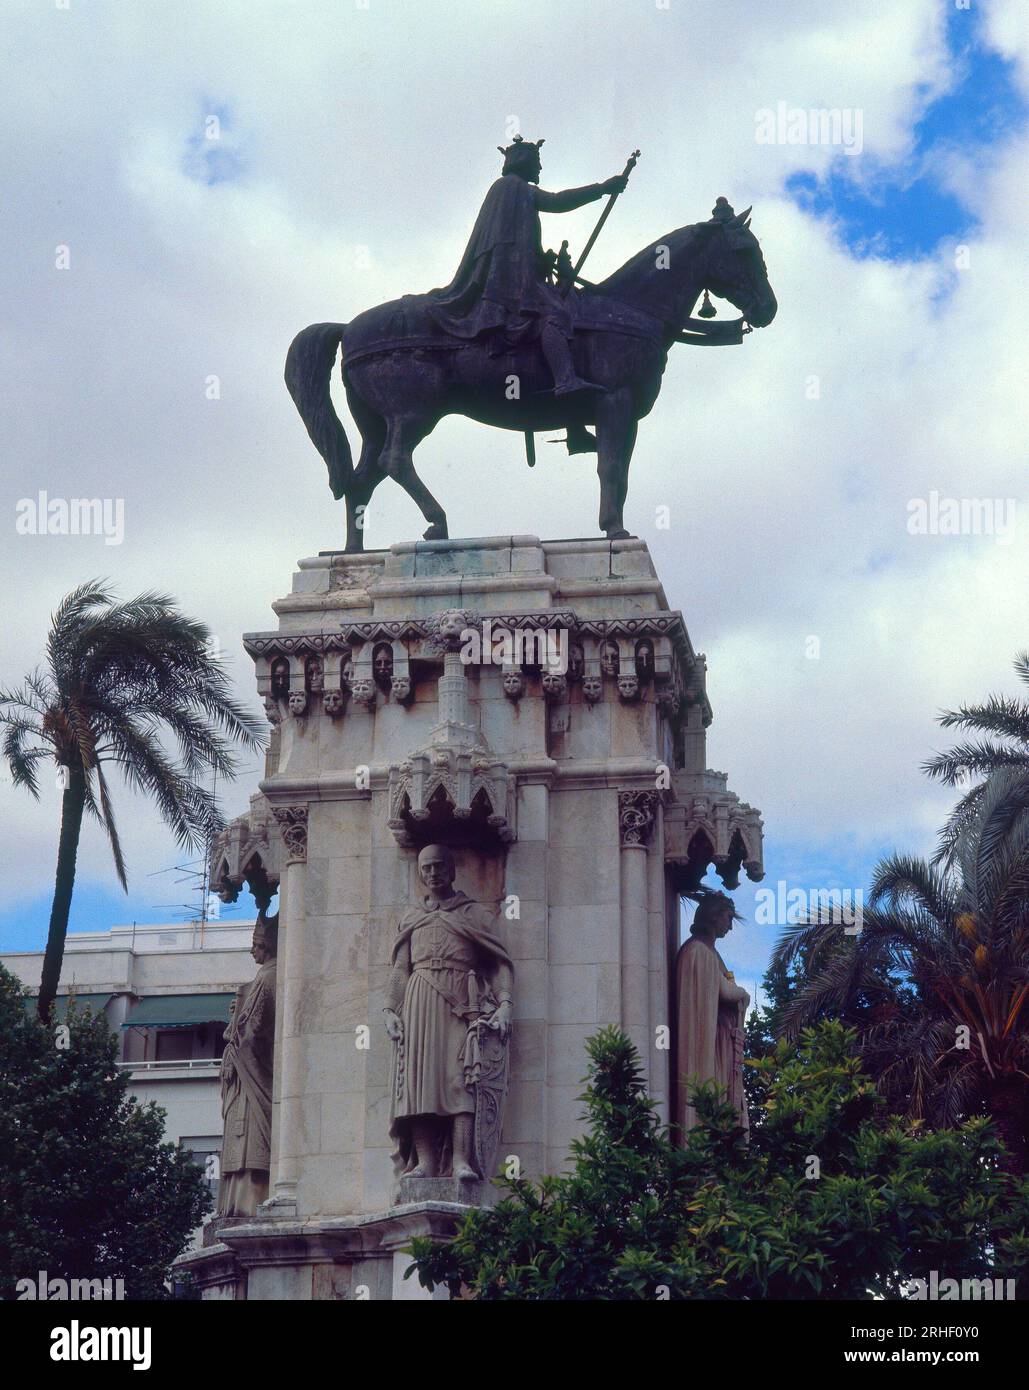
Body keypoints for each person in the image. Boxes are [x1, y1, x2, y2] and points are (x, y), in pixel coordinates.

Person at [426, 135, 627, 396]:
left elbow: (521, 239)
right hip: (510, 278)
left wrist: (541, 260)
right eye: (537, 162)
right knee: (556, 313)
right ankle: (565, 380)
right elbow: (557, 201)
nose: (540, 169)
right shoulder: (514, 187)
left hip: (513, 270)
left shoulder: (507, 189)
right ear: (524, 162)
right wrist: (601, 188)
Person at [384, 844, 513, 1179]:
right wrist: (390, 1010)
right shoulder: (413, 917)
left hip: (461, 1003)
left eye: (439, 866)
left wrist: (505, 1006)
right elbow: (400, 969)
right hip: (419, 1000)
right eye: (426, 868)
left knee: (462, 1080)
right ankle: (425, 1163)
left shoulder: (473, 915)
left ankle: (460, 1160)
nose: (432, 873)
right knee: (420, 1084)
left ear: (452, 870)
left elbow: (499, 964)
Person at [674, 892, 750, 1142]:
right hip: (710, 1043)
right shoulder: (698, 951)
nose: (730, 924)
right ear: (713, 916)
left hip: (721, 1040)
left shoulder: (709, 952)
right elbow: (727, 992)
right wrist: (741, 993)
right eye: (727, 918)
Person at [217, 911, 277, 1214]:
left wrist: (233, 1027)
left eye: (256, 942)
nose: (252, 949)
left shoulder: (267, 977)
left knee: (247, 1146)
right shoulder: (265, 976)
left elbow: (250, 1034)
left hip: (252, 1077)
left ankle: (245, 1205)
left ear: (268, 943)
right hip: (248, 1076)